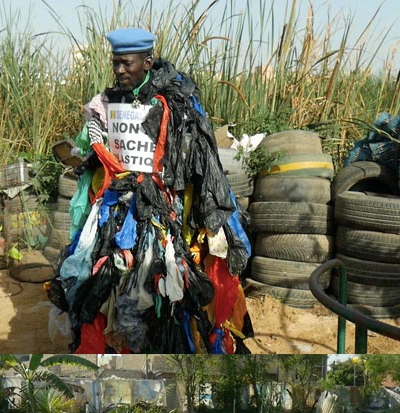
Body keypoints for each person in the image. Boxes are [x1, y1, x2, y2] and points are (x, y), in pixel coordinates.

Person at [48, 28, 253, 354]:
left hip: (163, 209)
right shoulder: (108, 102)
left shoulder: (175, 102)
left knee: (162, 283)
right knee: (111, 277)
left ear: (147, 62)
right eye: (115, 64)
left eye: (126, 64)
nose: (119, 70)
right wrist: (89, 144)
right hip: (117, 206)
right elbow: (91, 152)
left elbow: (197, 159)